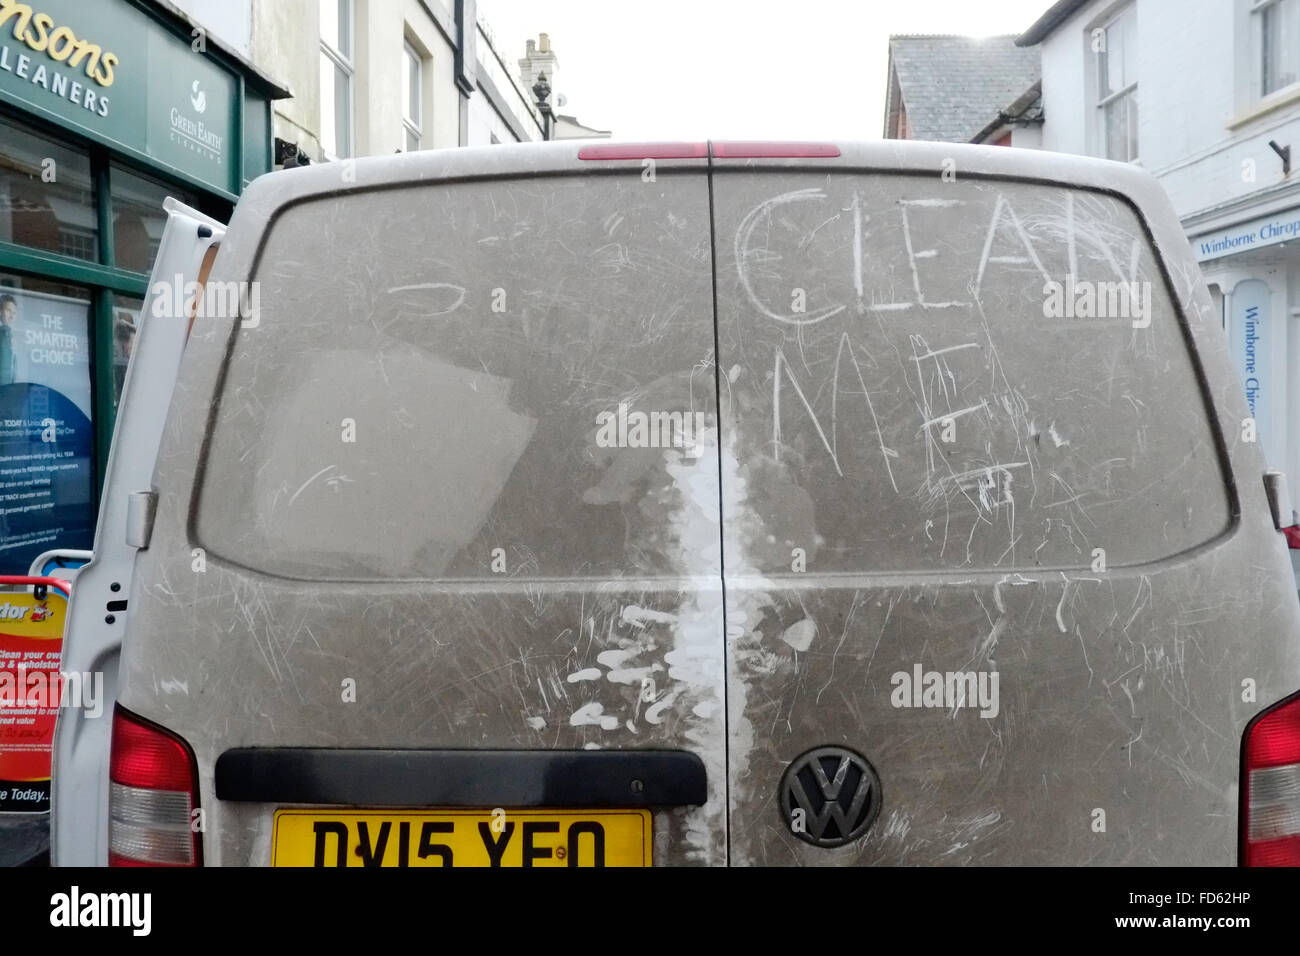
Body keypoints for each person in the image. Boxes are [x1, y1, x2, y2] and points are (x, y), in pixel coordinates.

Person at [0, 293, 17, 387]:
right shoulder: (3, 334)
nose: (11, 316)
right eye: (8, 310)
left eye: (14, 313)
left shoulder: (12, 336)